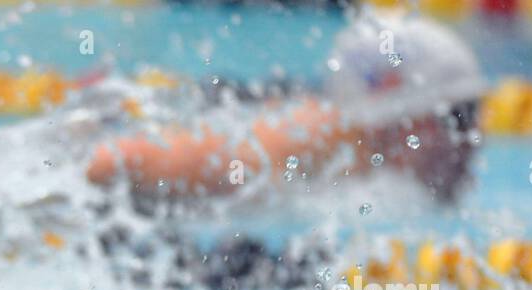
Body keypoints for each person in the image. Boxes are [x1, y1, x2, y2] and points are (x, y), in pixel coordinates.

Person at [86, 12, 486, 204]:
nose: (473, 139)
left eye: (475, 114)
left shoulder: (367, 176)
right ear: (404, 124)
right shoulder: (299, 143)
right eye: (458, 118)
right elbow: (108, 162)